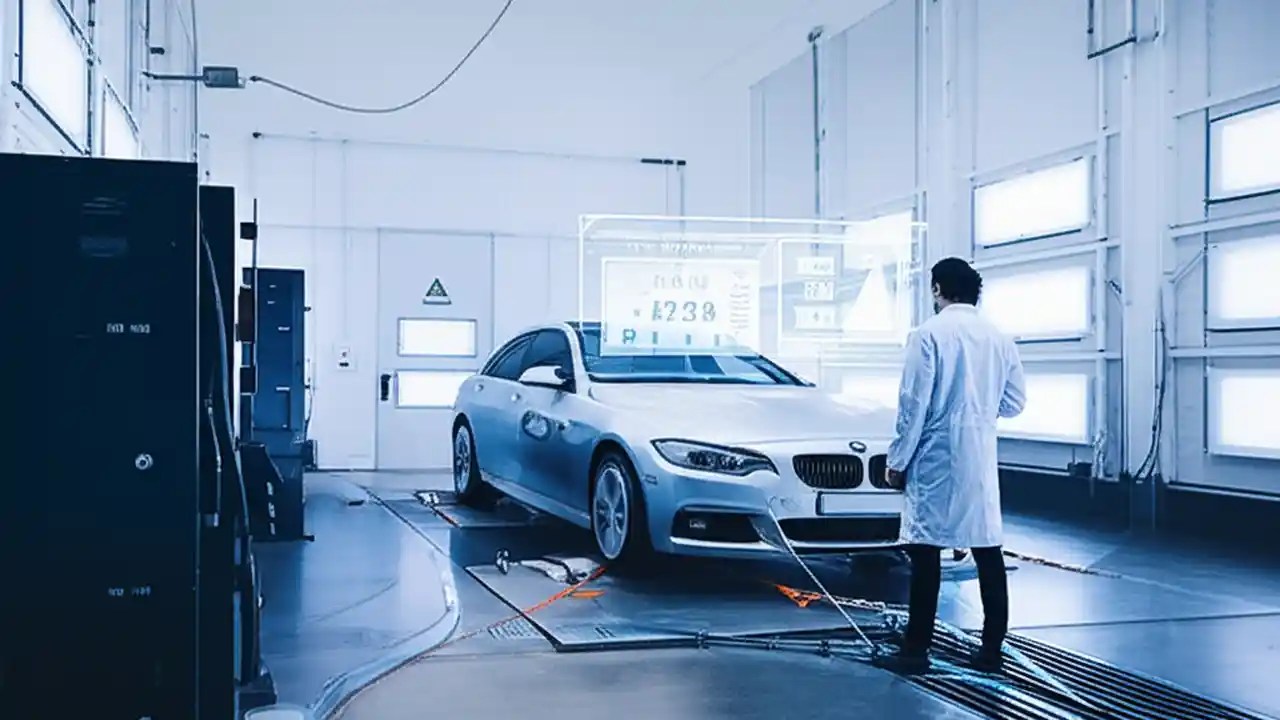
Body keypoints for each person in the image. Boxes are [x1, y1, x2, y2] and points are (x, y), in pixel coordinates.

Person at [873, 257, 1027, 675]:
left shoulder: (928, 334)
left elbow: (913, 405)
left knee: (926, 556)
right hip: (979, 457)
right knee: (987, 551)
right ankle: (991, 652)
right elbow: (1014, 403)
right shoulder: (999, 337)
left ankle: (915, 651)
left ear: (939, 289)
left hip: (936, 456)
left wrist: (897, 461)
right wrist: (976, 411)